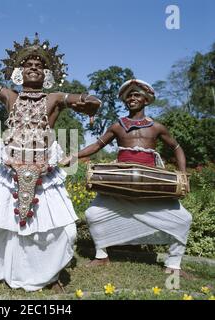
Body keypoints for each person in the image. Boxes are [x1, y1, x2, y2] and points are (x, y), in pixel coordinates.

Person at [0, 23, 102, 292]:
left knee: (67, 232)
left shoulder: (53, 99)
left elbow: (82, 98)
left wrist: (90, 101)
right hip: (8, 172)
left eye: (39, 66)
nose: (34, 68)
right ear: (18, 71)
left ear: (47, 74)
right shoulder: (9, 97)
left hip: (44, 174)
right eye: (28, 64)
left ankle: (51, 276)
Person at [61, 79, 192, 277]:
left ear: (146, 101)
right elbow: (96, 146)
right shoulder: (117, 126)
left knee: (183, 218)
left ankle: (173, 264)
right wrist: (74, 156)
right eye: (129, 95)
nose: (132, 98)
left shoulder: (156, 127)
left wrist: (182, 174)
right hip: (120, 183)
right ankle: (101, 256)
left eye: (137, 95)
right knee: (93, 214)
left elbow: (176, 147)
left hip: (151, 185)